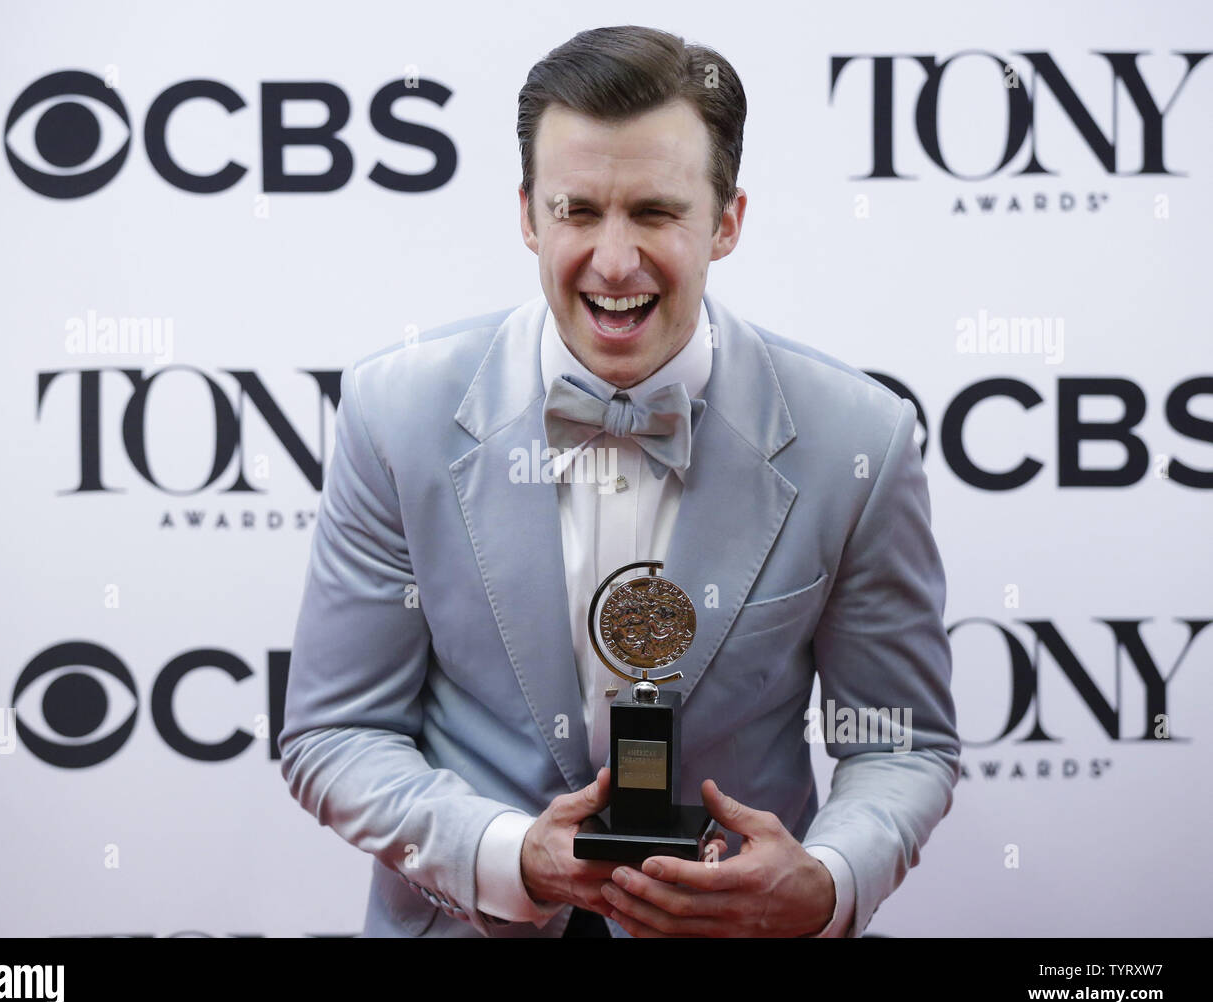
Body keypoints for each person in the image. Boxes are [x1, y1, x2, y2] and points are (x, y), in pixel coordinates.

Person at [278, 25, 960, 938]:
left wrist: (827, 883)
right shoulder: (393, 413)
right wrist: (505, 855)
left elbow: (902, 742)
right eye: (577, 210)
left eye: (652, 212)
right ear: (528, 213)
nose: (612, 261)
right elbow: (334, 735)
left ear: (727, 221)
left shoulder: (858, 439)